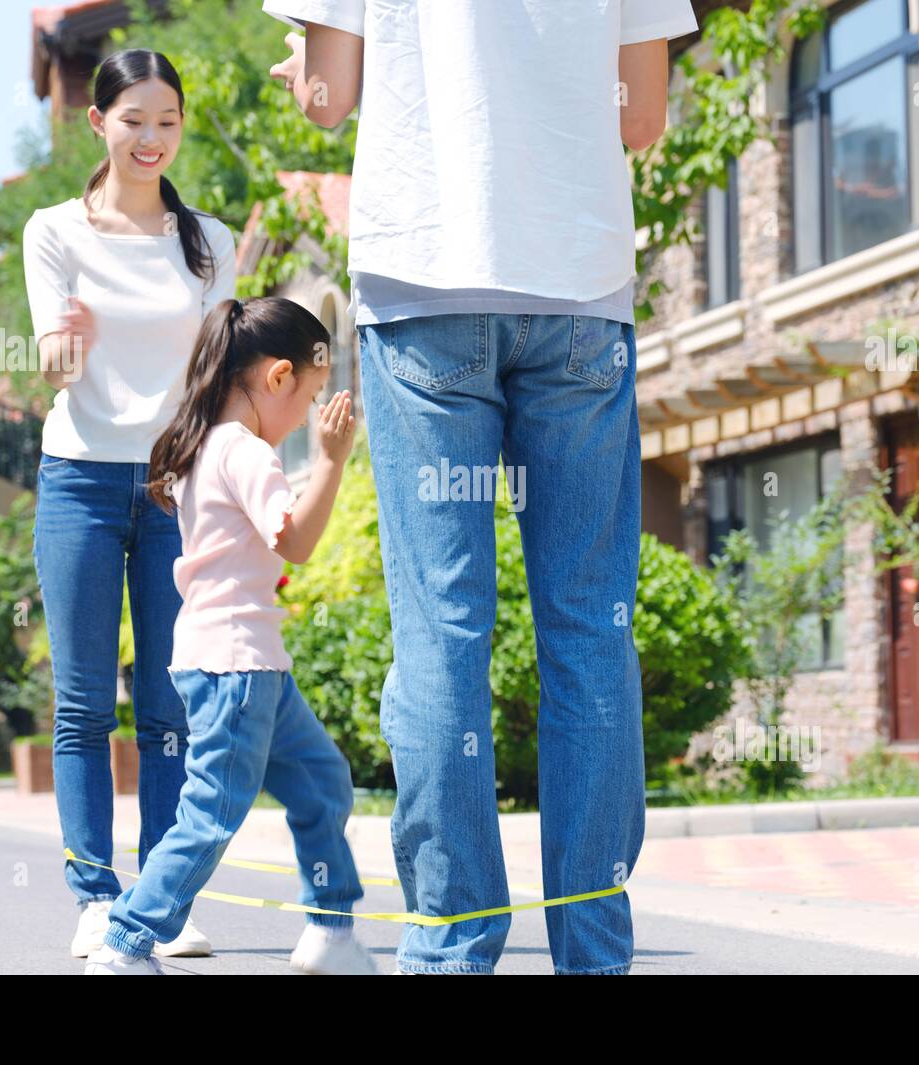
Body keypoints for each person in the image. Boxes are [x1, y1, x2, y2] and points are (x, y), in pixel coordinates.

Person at [264, 0, 698, 974]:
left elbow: (328, 101)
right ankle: (592, 949)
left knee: (442, 630)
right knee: (590, 625)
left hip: (424, 289)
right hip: (578, 295)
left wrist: (308, 73)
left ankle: (453, 950)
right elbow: (640, 118)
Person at [82, 295, 373, 975]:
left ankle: (331, 932)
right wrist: (330, 459)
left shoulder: (209, 445)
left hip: (249, 665)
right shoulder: (243, 452)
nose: (308, 414)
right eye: (309, 395)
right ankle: (124, 940)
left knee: (322, 784)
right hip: (236, 665)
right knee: (211, 813)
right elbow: (294, 541)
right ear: (277, 378)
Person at [23, 48, 236, 960]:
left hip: (174, 487)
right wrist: (67, 345)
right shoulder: (54, 231)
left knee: (170, 703)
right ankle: (94, 896)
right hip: (78, 478)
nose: (151, 139)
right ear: (97, 123)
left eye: (167, 122)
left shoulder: (210, 242)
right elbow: (55, 373)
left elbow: (221, 382)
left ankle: (161, 894)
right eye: (134, 120)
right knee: (82, 705)